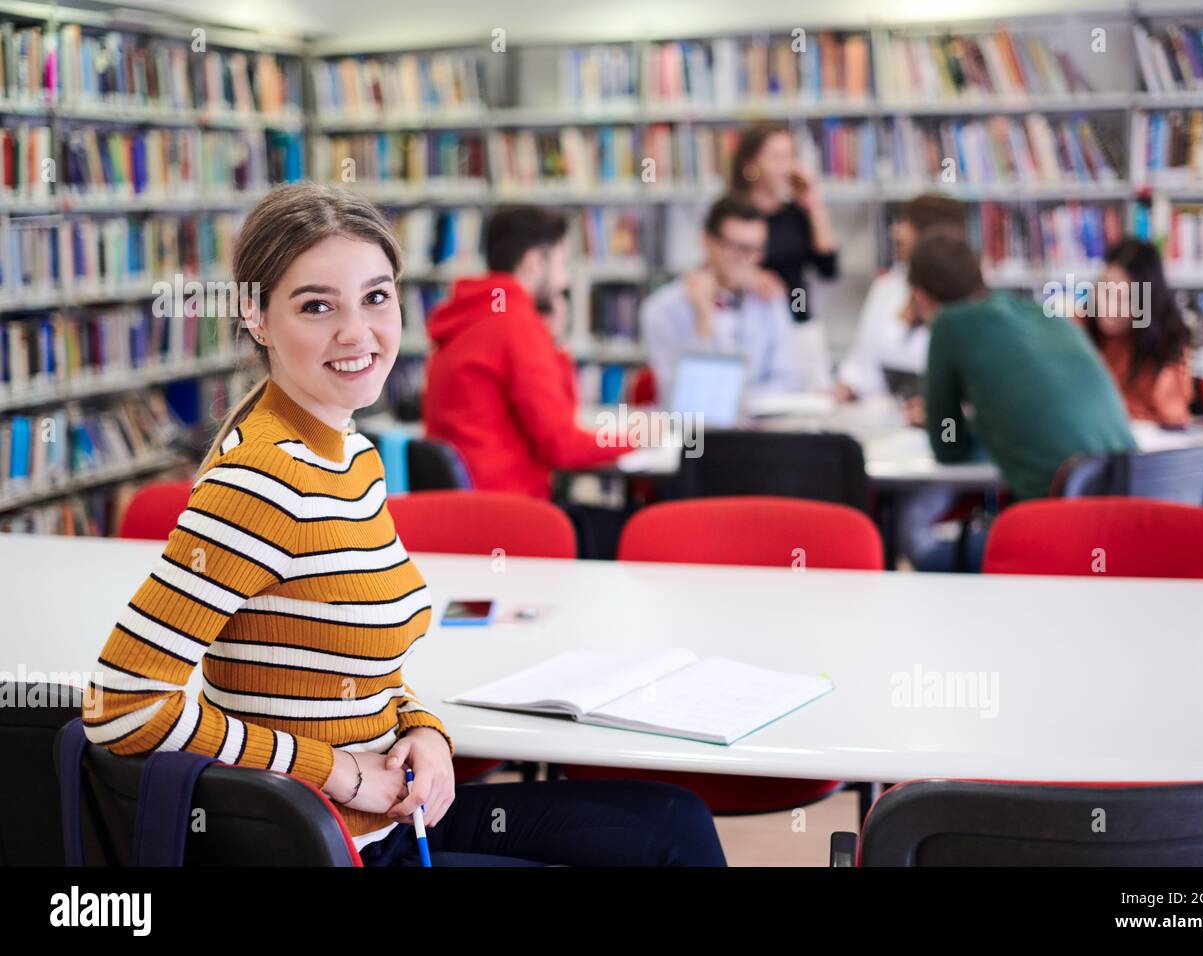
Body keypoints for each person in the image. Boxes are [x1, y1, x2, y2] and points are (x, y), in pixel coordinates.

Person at [82, 183, 725, 867]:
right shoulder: (261, 482)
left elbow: (367, 666)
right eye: (316, 305)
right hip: (329, 844)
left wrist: (425, 731)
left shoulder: (352, 455)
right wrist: (336, 771)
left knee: (674, 823)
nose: (357, 332)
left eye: (376, 296)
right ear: (257, 316)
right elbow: (123, 705)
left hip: (390, 819)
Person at [911, 232, 1137, 567]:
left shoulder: (948, 324)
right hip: (1127, 519)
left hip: (1057, 529)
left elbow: (948, 447)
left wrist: (979, 429)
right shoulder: (1038, 312)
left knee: (925, 556)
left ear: (920, 298)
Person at [423, 205, 633, 500]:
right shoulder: (516, 326)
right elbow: (563, 446)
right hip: (512, 512)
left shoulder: (471, 312)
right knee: (624, 528)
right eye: (561, 264)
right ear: (534, 262)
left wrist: (554, 343)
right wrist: (639, 439)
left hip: (464, 508)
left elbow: (557, 423)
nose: (564, 281)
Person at [640, 194, 801, 400]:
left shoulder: (769, 297)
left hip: (763, 425)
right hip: (697, 429)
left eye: (755, 249)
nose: (747, 259)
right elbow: (683, 396)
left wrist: (740, 403)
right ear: (707, 241)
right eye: (737, 247)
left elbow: (787, 380)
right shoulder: (661, 309)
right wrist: (703, 320)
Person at [730, 123, 838, 390]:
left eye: (789, 157)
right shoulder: (734, 217)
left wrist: (813, 204)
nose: (786, 166)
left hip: (799, 325)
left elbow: (829, 268)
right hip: (750, 331)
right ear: (751, 164)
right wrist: (748, 275)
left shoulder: (795, 213)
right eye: (776, 158)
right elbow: (716, 269)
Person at [835, 193, 967, 403]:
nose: (895, 231)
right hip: (873, 413)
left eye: (906, 223)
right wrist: (848, 383)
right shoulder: (886, 286)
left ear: (929, 234)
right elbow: (859, 358)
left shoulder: (963, 297)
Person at [1083, 237, 1194, 428]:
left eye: (1124, 298)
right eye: (1105, 290)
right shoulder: (1081, 327)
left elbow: (1174, 420)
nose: (1108, 306)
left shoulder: (1166, 345)